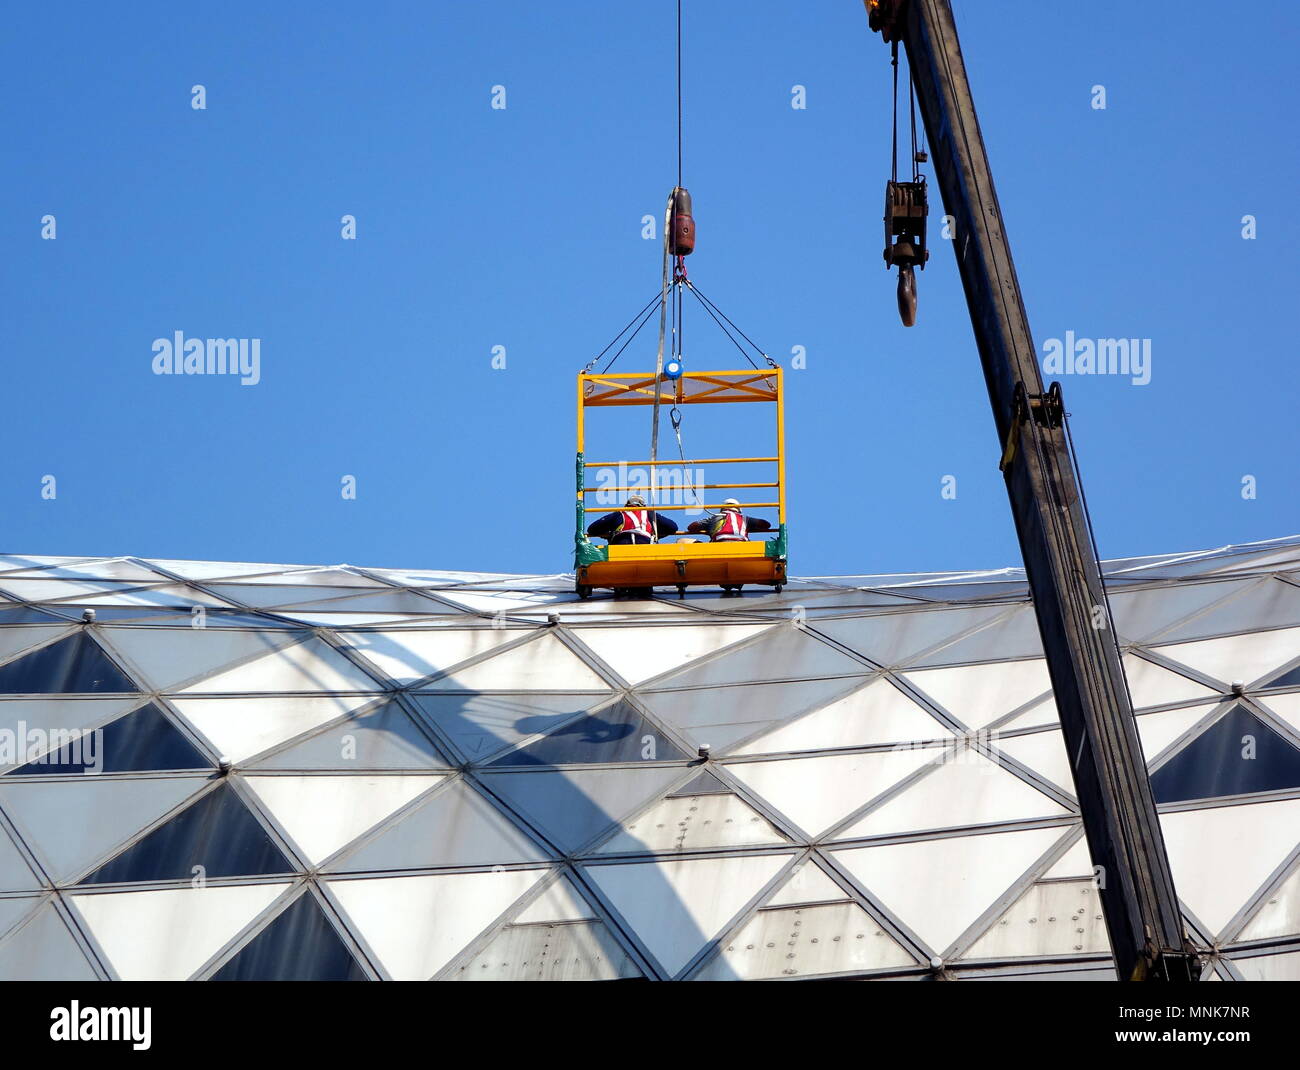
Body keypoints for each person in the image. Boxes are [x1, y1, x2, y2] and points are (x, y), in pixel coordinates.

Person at [586, 495, 679, 545]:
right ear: (644, 506)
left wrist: (608, 535)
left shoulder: (619, 514)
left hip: (621, 545)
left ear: (626, 505)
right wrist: (655, 534)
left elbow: (592, 529)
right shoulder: (649, 514)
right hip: (644, 544)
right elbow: (673, 527)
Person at [687, 498, 772, 542]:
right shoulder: (745, 519)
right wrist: (751, 527)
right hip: (742, 545)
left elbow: (691, 527)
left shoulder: (714, 517)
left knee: (683, 541)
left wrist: (709, 529)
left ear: (722, 508)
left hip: (718, 546)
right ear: (739, 509)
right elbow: (766, 524)